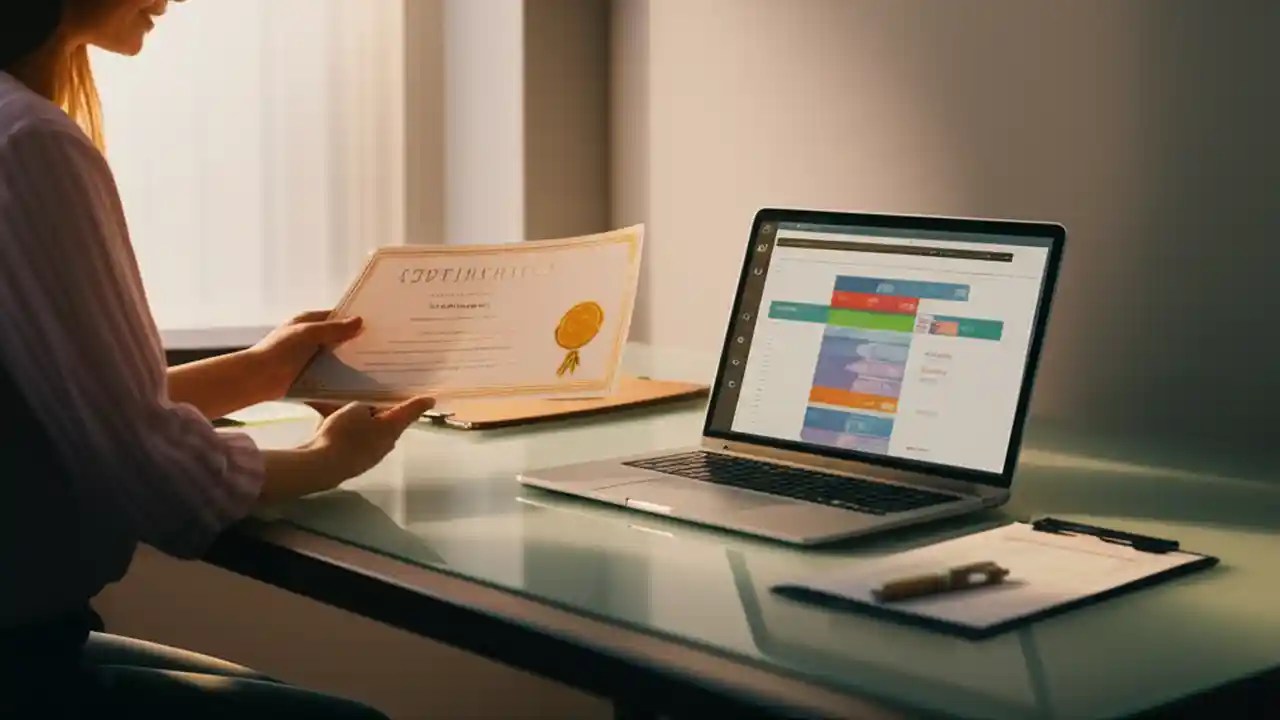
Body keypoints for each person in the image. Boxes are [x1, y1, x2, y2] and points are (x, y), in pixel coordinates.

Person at [0, 1, 432, 717]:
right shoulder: (31, 142)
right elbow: (156, 480)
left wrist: (262, 370)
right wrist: (334, 455)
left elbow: (67, 404)